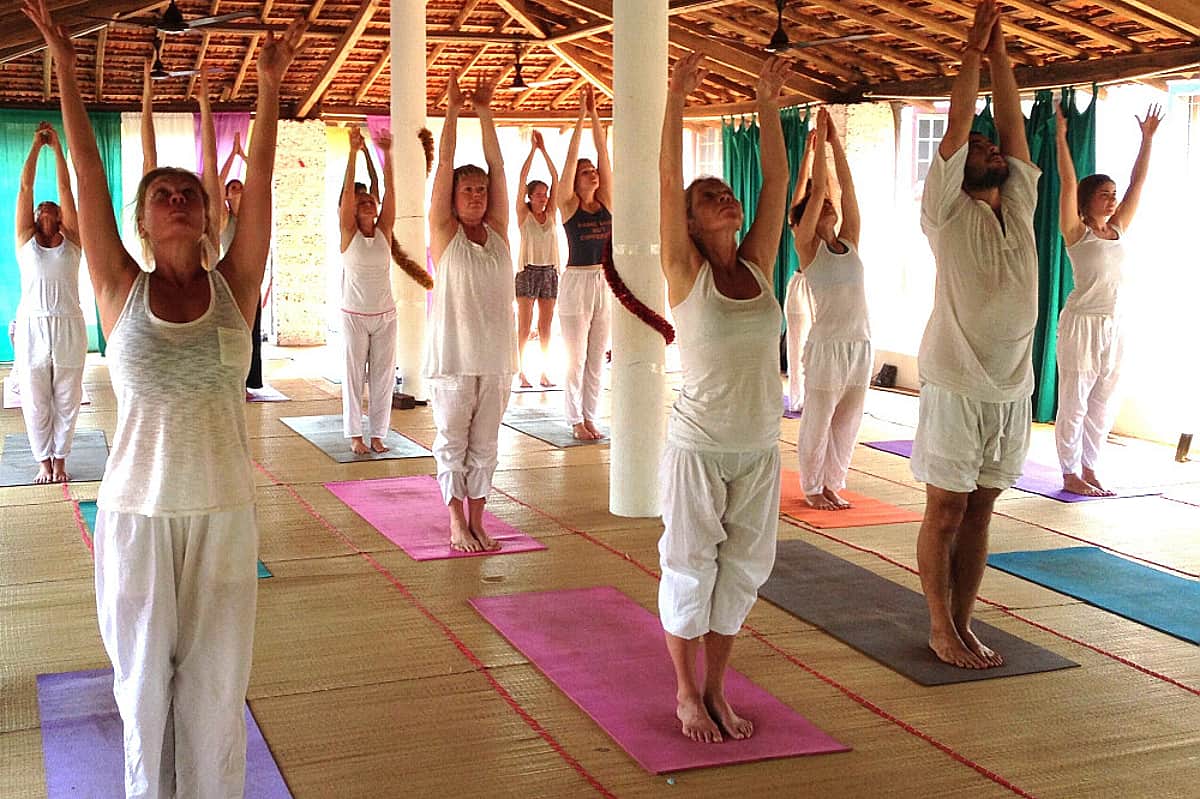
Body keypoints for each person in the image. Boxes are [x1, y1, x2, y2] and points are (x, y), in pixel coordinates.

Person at [23, 3, 305, 796]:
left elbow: (266, 188)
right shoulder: (119, 286)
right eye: (163, 194)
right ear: (143, 222)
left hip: (222, 513)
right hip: (137, 517)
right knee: (143, 689)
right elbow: (85, 168)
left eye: (190, 191)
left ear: (211, 214)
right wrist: (67, 67)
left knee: (216, 694)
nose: (178, 198)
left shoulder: (234, 289)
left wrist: (271, 87)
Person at [658, 50, 790, 743]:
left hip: (759, 447)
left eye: (725, 194)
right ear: (690, 221)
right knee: (689, 567)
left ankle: (716, 688)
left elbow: (777, 178)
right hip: (700, 447)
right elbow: (666, 177)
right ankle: (685, 691)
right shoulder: (685, 272)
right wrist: (677, 98)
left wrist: (767, 103)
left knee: (741, 571)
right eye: (711, 197)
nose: (725, 199)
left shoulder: (760, 265)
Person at [914, 0, 1039, 669]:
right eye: (982, 149)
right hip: (958, 382)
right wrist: (971, 50)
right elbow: (961, 125)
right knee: (945, 509)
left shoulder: (1017, 206)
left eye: (994, 150)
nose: (993, 149)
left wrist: (1001, 58)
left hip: (1012, 388)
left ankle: (964, 622)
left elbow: (1013, 125)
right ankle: (938, 624)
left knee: (983, 507)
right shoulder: (945, 210)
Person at [424, 72, 518, 553]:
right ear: (454, 197)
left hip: (497, 359)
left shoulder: (499, 230)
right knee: (451, 443)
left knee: (486, 445)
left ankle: (480, 520)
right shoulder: (445, 233)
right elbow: (443, 164)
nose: (477, 195)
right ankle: (455, 522)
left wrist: (486, 112)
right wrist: (455, 111)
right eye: (468, 190)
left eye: (481, 190)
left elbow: (500, 169)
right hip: (455, 359)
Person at [1053, 101, 1161, 496]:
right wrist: (1061, 138)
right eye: (1103, 194)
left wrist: (1146, 140)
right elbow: (1066, 183)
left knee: (1104, 400)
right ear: (1086, 200)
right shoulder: (1076, 232)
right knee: (1076, 399)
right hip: (1084, 321)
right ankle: (1069, 472)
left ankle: (1091, 467)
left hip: (1117, 323)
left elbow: (1138, 185)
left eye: (1112, 194)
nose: (1112, 199)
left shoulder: (1118, 228)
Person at [791, 108, 871, 510]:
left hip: (860, 344)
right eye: (822, 203)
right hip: (826, 346)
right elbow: (820, 190)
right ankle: (811, 486)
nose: (830, 205)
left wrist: (836, 144)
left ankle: (833, 482)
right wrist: (819, 149)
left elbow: (848, 192)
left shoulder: (849, 241)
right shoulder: (808, 248)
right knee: (819, 420)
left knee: (848, 422)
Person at [14, 121, 85, 484]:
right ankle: (43, 460)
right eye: (39, 207)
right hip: (32, 326)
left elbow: (65, 188)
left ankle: (60, 459)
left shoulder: (73, 240)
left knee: (67, 399)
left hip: (69, 324)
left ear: (58, 215)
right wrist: (35, 146)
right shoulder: (25, 239)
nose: (43, 206)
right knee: (36, 399)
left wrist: (58, 147)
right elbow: (26, 186)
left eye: (50, 206)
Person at [558, 86, 613, 440]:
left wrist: (596, 116)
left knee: (597, 358)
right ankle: (574, 418)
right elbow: (567, 166)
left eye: (592, 171)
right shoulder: (568, 205)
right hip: (576, 282)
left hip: (603, 281)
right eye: (585, 172)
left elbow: (605, 157)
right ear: (575, 182)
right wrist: (580, 117)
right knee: (575, 359)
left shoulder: (607, 200)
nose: (592, 174)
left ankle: (590, 415)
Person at [338, 126, 397, 456]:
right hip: (355, 315)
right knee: (353, 376)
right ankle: (355, 435)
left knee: (383, 377)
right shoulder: (348, 232)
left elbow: (389, 192)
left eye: (370, 201)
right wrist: (352, 153)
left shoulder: (385, 229)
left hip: (386, 315)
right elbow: (349, 194)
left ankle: (378, 434)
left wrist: (385, 156)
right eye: (361, 202)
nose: (368, 204)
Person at [514, 131, 561, 389]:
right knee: (524, 325)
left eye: (545, 194)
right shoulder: (523, 214)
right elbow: (522, 179)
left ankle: (544, 372)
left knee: (546, 325)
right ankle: (521, 372)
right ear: (530, 197)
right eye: (538, 194)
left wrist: (544, 150)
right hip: (527, 271)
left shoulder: (551, 213)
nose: (543, 198)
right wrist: (532, 152)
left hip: (549, 272)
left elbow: (556, 178)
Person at [783, 131, 816, 415]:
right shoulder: (797, 221)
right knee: (798, 343)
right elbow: (799, 190)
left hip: (822, 286)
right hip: (799, 285)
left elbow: (829, 189)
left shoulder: (830, 221)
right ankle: (798, 397)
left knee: (820, 344)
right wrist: (808, 152)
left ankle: (819, 394)